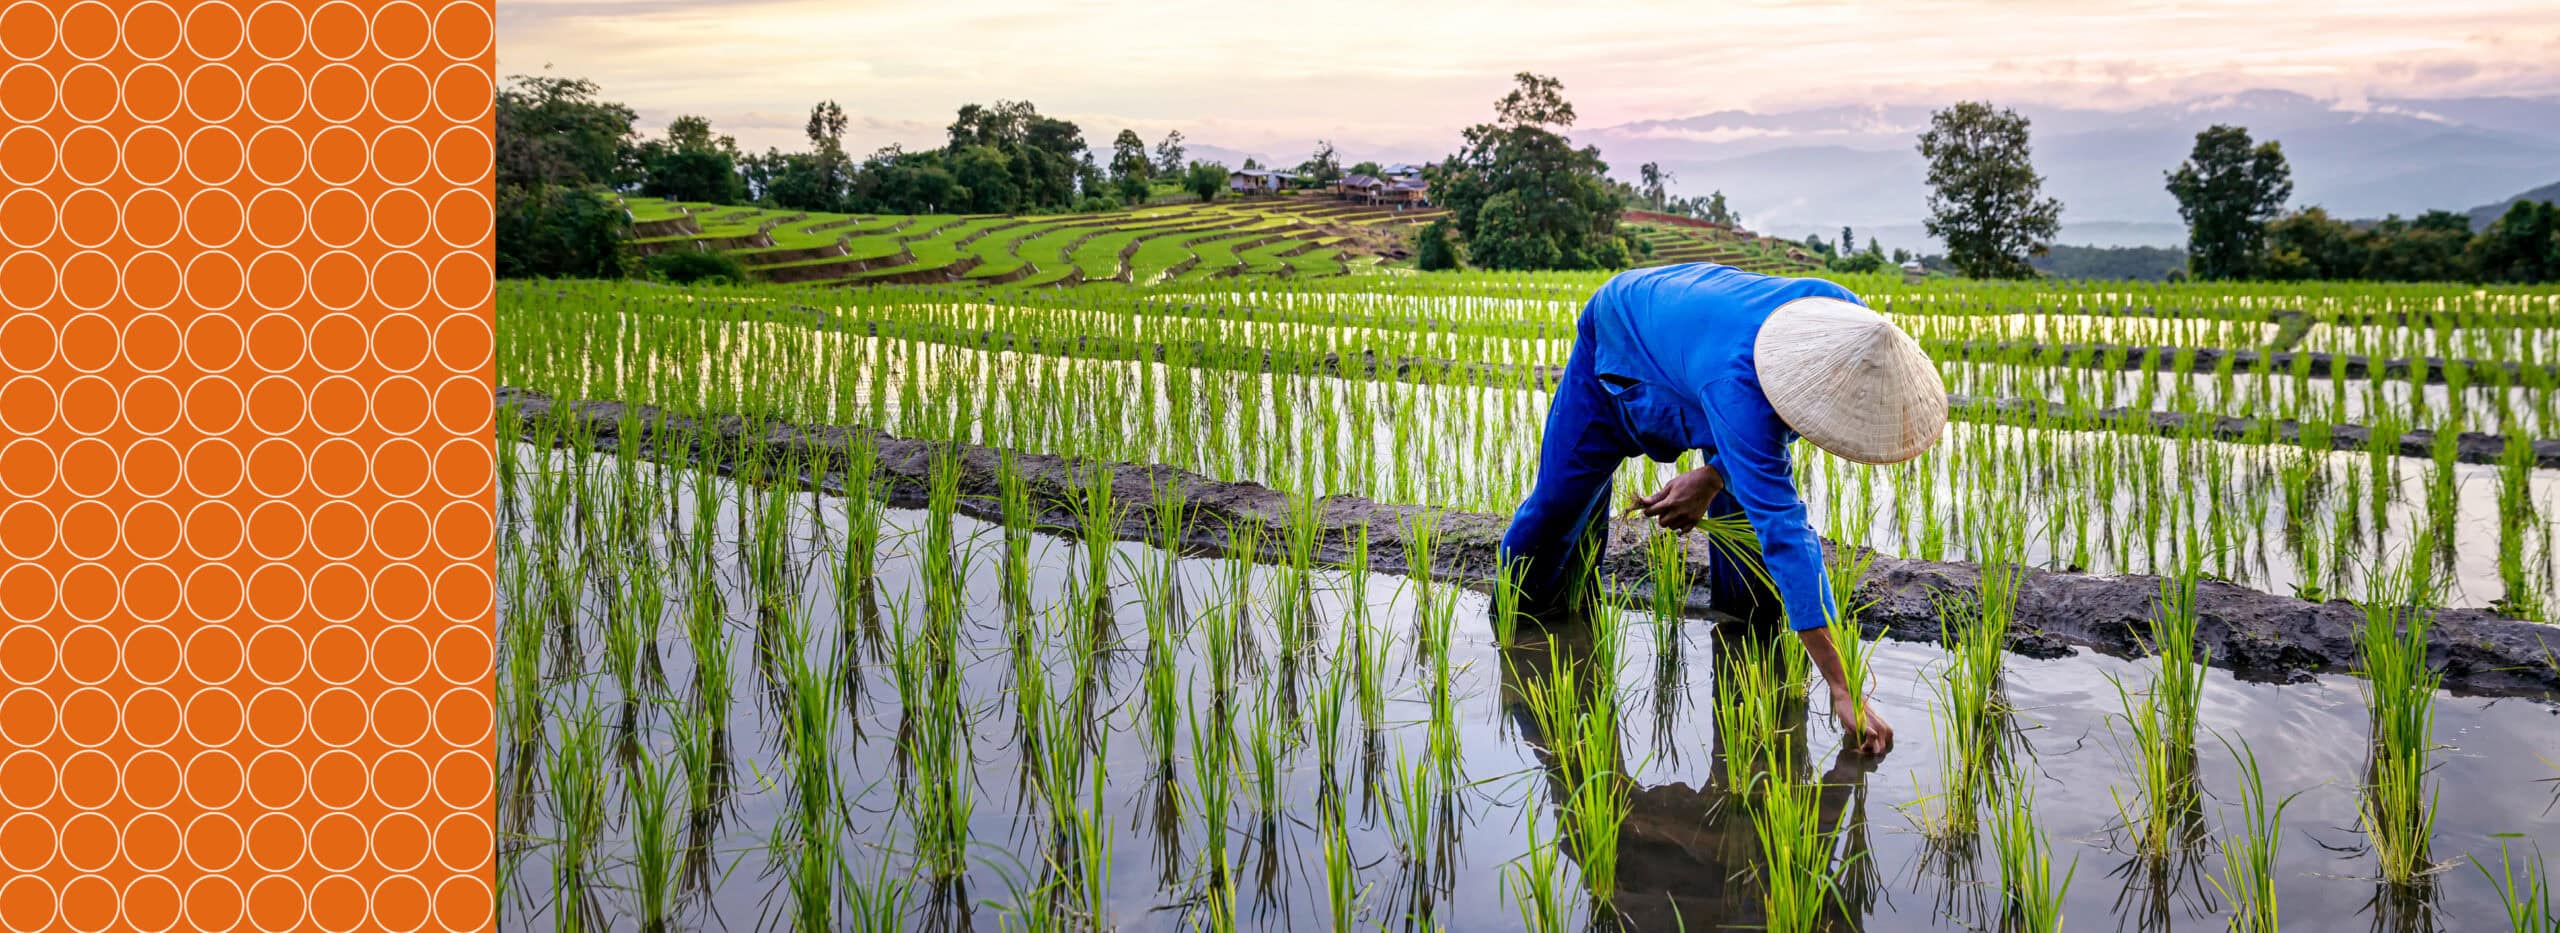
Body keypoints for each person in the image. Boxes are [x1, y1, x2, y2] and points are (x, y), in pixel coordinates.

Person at [1498, 263, 1947, 755]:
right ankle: (1520, 619)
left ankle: (1747, 627)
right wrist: (1844, 689)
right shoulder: (1737, 389)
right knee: (1558, 508)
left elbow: (1769, 431)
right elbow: (1786, 533)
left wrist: (1712, 477)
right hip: (1625, 330)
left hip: (1705, 351)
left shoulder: (1846, 322)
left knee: (1744, 518)